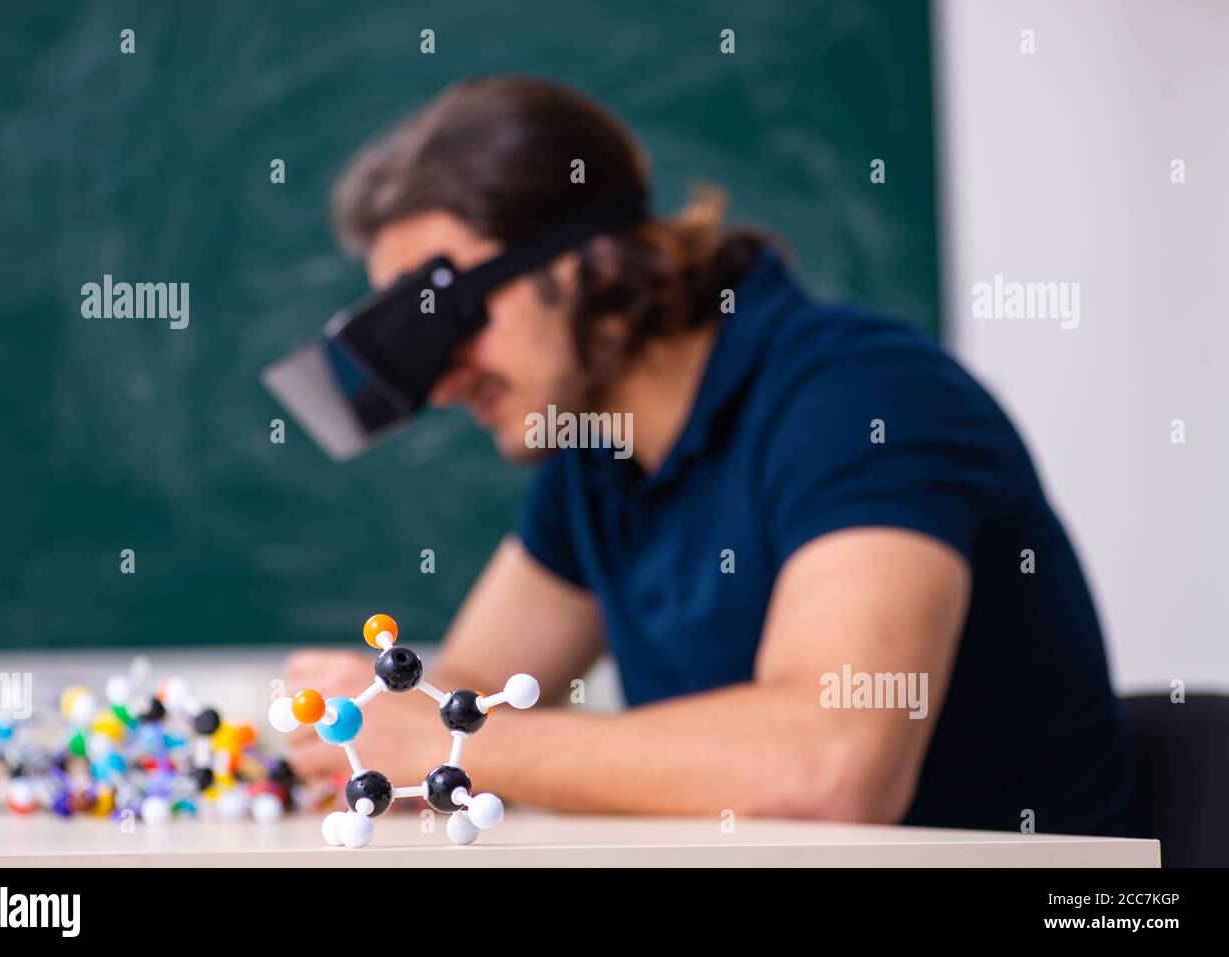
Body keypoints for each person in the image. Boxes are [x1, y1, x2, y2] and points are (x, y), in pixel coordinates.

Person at [285, 75, 1142, 835]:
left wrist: (446, 743)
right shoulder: (595, 455)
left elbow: (830, 764)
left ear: (585, 257)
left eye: (447, 316)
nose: (441, 378)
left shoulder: (865, 399)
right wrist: (373, 720)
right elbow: (470, 688)